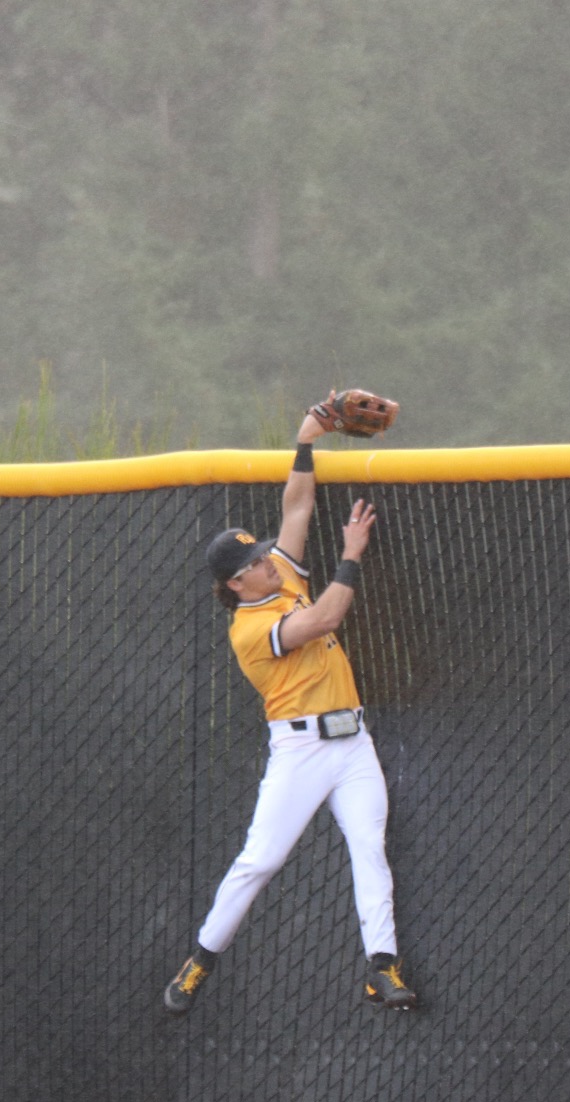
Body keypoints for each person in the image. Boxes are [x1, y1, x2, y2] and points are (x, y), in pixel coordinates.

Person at [163, 405, 417, 1015]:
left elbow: (296, 507)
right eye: (253, 564)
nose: (267, 562)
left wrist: (306, 438)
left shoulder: (281, 578)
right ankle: (201, 959)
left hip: (353, 744)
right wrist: (351, 553)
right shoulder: (250, 630)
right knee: (262, 860)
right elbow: (326, 618)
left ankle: (382, 967)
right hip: (301, 749)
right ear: (234, 585)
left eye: (262, 555)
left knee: (369, 847)